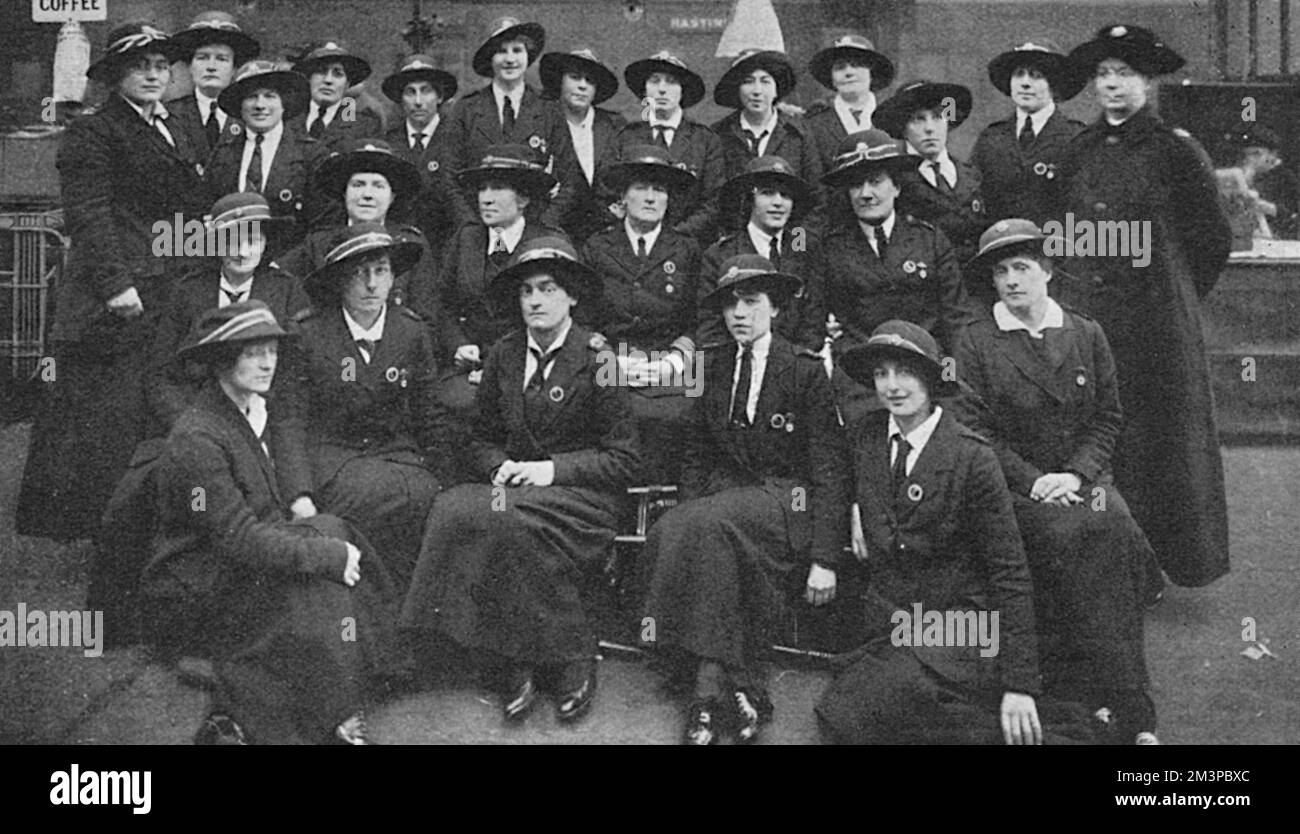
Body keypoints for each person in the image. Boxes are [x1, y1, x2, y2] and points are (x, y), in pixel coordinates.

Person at [816, 320, 1096, 745]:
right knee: (854, 710)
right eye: (881, 373)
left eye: (905, 371)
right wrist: (855, 506)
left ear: (930, 377)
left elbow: (1010, 573)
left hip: (961, 625)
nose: (892, 385)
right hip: (894, 621)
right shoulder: (867, 437)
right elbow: (831, 475)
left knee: (862, 708)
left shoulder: (971, 456)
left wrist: (1019, 684)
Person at [401, 236, 642, 725]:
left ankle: (542, 656)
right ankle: (531, 652)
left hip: (581, 502)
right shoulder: (504, 355)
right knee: (455, 507)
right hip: (513, 492)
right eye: (527, 290)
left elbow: (623, 459)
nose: (535, 300)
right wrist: (498, 468)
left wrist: (548, 469)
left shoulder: (600, 359)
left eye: (548, 288)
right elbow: (481, 438)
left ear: (572, 296)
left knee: (498, 519)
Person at [142, 300, 401, 745]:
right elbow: (237, 538)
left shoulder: (247, 409)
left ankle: (348, 683)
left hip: (235, 556)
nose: (268, 363)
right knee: (316, 575)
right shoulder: (197, 438)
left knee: (333, 530)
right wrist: (325, 555)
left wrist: (325, 544)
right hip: (198, 583)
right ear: (223, 360)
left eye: (272, 352)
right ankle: (331, 715)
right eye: (253, 353)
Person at [954, 219, 1160, 744]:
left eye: (1022, 268)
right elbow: (972, 430)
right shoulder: (975, 342)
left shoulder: (1085, 333)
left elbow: (1107, 417)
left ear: (1047, 271)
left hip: (1081, 477)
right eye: (1001, 272)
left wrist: (1074, 473)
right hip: (1013, 488)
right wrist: (1036, 480)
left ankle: (1128, 703)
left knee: (1112, 528)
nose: (1011, 281)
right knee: (1074, 539)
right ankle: (1095, 698)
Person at [636, 255, 851, 744]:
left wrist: (825, 557)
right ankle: (728, 689)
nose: (739, 313)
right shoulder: (711, 364)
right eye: (731, 304)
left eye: (751, 302)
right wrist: (694, 506)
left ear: (774, 308)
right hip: (725, 503)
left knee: (701, 527)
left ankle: (701, 692)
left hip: (785, 499)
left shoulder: (805, 370)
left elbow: (829, 469)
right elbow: (695, 452)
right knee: (687, 531)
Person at [1055, 24, 1232, 588]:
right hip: (1091, 322)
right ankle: (1108, 568)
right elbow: (1062, 235)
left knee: (1157, 444)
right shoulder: (1077, 151)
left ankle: (1161, 561)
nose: (1112, 85)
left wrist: (1171, 293)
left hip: (1156, 327)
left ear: (1148, 80)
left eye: (1125, 74)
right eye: (1104, 74)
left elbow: (1211, 241)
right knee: (1097, 440)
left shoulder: (1175, 151)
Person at [17, 23, 208, 540]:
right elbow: (89, 213)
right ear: (116, 76)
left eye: (160, 66)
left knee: (131, 405)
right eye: (139, 66)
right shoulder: (94, 130)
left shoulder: (171, 127)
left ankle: (120, 516)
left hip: (159, 279)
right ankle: (68, 520)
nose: (152, 75)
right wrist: (115, 284)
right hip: (109, 290)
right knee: (92, 408)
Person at [282, 224, 452, 583]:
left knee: (429, 501)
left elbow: (429, 414)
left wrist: (445, 477)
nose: (372, 284)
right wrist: (299, 494)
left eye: (381, 271)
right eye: (359, 273)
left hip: (395, 454)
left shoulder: (410, 331)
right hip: (333, 457)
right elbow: (289, 421)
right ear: (340, 280)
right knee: (371, 499)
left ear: (394, 278)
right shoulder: (308, 333)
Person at [582, 145, 702, 481]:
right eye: (641, 188)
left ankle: (670, 506)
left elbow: (700, 319)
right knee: (604, 410)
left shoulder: (688, 249)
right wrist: (609, 358)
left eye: (659, 190)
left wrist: (674, 362)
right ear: (622, 197)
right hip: (611, 359)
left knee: (688, 409)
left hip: (674, 360)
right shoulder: (596, 247)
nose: (650, 198)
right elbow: (583, 321)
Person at [434, 144, 562, 452]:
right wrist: (457, 345)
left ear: (523, 199)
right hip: (468, 366)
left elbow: (558, 321)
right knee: (449, 407)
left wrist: (497, 365)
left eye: (498, 188)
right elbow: (442, 304)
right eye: (482, 188)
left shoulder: (548, 242)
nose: (486, 198)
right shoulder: (466, 238)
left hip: (531, 367)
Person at [148, 191, 311, 434]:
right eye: (232, 241)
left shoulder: (286, 290)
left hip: (268, 422)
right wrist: (185, 422)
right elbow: (160, 373)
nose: (242, 252)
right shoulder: (190, 290)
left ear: (265, 243)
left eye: (253, 241)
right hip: (197, 418)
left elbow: (297, 371)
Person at [441, 17, 581, 231]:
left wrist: (544, 225)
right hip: (479, 228)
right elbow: (448, 177)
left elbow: (569, 179)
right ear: (490, 58)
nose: (509, 59)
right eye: (501, 51)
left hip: (533, 229)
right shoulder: (467, 109)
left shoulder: (548, 109)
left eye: (517, 50)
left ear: (528, 56)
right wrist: (471, 226)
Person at [279, 138, 437, 319]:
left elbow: (426, 315)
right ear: (344, 192)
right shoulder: (318, 243)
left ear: (392, 196)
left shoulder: (410, 242)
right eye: (358, 185)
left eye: (378, 186)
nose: (367, 195)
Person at [699, 155, 826, 352]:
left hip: (793, 364)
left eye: (785, 195)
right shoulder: (720, 255)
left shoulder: (802, 246)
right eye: (767, 193)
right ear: (750, 200)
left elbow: (814, 320)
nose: (778, 203)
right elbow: (710, 328)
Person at [205, 59, 326, 261]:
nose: (260, 105)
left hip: (290, 266)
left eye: (269, 96)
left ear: (283, 104)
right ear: (240, 106)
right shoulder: (223, 153)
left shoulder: (311, 154)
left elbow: (322, 225)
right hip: (234, 261)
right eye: (252, 97)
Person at [971, 39, 1087, 227]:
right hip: (1002, 248)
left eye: (1036, 76)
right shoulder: (991, 139)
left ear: (1054, 84)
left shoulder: (1077, 138)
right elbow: (973, 199)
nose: (1025, 83)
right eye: (1019, 74)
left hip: (1057, 248)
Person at [613, 50, 725, 244]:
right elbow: (608, 193)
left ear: (683, 91)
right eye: (654, 81)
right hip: (633, 242)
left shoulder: (705, 140)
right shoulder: (626, 137)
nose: (662, 89)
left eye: (671, 82)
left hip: (689, 244)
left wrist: (674, 236)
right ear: (644, 91)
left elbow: (714, 202)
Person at [874, 79, 987, 263]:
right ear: (903, 128)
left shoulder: (972, 174)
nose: (929, 128)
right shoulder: (894, 179)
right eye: (918, 119)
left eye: (937, 117)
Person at [381, 54, 470, 262]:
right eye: (410, 92)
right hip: (399, 247)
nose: (418, 102)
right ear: (401, 99)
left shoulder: (458, 140)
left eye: (426, 91)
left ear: (439, 97)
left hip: (446, 247)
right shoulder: (389, 142)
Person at [802, 33, 896, 224]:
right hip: (833, 226)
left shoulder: (892, 118)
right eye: (840, 67)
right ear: (831, 77)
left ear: (872, 71)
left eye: (857, 65)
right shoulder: (813, 124)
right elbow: (813, 186)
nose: (849, 72)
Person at [539, 47, 626, 244]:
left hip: (605, 235)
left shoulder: (614, 126)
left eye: (590, 81)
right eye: (575, 77)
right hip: (552, 231)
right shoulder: (542, 121)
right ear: (560, 80)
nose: (582, 86)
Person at [709, 50, 822, 201]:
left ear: (777, 90)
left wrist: (797, 227)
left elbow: (817, 198)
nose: (757, 91)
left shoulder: (799, 135)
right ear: (738, 89)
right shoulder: (718, 134)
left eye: (765, 81)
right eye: (748, 82)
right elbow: (712, 198)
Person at [166, 10, 261, 164]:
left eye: (222, 59)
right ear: (190, 66)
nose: (211, 67)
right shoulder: (170, 115)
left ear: (234, 69)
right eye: (202, 58)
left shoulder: (250, 114)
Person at [290, 41, 383, 150]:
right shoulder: (289, 119)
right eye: (321, 72)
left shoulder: (364, 126)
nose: (328, 80)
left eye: (338, 74)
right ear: (309, 78)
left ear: (347, 84)